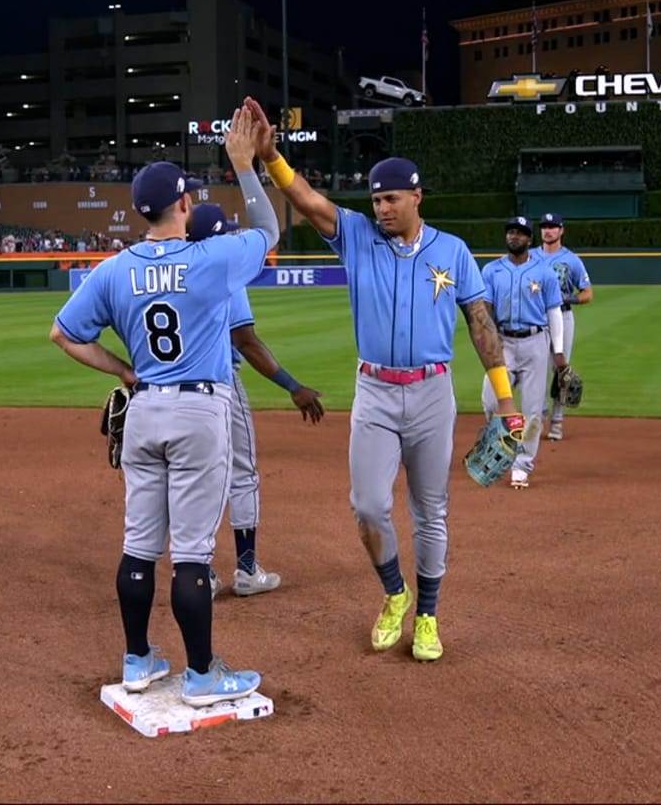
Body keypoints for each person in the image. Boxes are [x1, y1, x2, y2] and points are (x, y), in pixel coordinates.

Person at [243, 96, 524, 663]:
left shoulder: (454, 251)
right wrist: (272, 159)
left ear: (416, 196)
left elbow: (481, 326)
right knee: (369, 506)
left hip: (431, 393)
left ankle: (427, 615)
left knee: (431, 511)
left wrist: (507, 401)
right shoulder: (356, 235)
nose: (382, 208)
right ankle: (394, 594)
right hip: (373, 391)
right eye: (375, 199)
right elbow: (307, 200)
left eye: (391, 198)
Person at [49, 104, 279, 707]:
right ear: (184, 206)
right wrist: (244, 165)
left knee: (139, 545)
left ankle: (136, 659)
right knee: (193, 556)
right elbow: (270, 230)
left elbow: (63, 335)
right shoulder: (210, 259)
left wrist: (125, 369)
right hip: (200, 411)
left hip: (145, 407)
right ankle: (202, 675)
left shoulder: (111, 271)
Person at [187, 202, 326, 600]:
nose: (234, 238)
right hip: (219, 384)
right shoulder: (226, 274)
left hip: (172, 388)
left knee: (191, 478)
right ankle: (247, 569)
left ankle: (201, 574)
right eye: (227, 232)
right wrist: (292, 386)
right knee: (241, 473)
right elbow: (245, 342)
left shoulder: (170, 272)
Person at [480, 216, 567, 489]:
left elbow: (554, 312)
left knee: (532, 411)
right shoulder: (492, 270)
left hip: (535, 344)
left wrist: (559, 352)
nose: (514, 236)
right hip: (503, 342)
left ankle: (522, 465)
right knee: (491, 400)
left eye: (520, 233)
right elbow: (485, 309)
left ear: (530, 239)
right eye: (510, 232)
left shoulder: (544, 272)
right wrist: (491, 341)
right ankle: (502, 447)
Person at [531, 213, 593, 441]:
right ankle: (538, 416)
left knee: (560, 370)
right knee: (535, 370)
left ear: (561, 230)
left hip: (563, 319)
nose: (548, 231)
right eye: (545, 227)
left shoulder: (572, 260)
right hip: (536, 319)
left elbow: (587, 294)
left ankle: (556, 423)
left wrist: (567, 299)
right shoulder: (530, 257)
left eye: (553, 227)